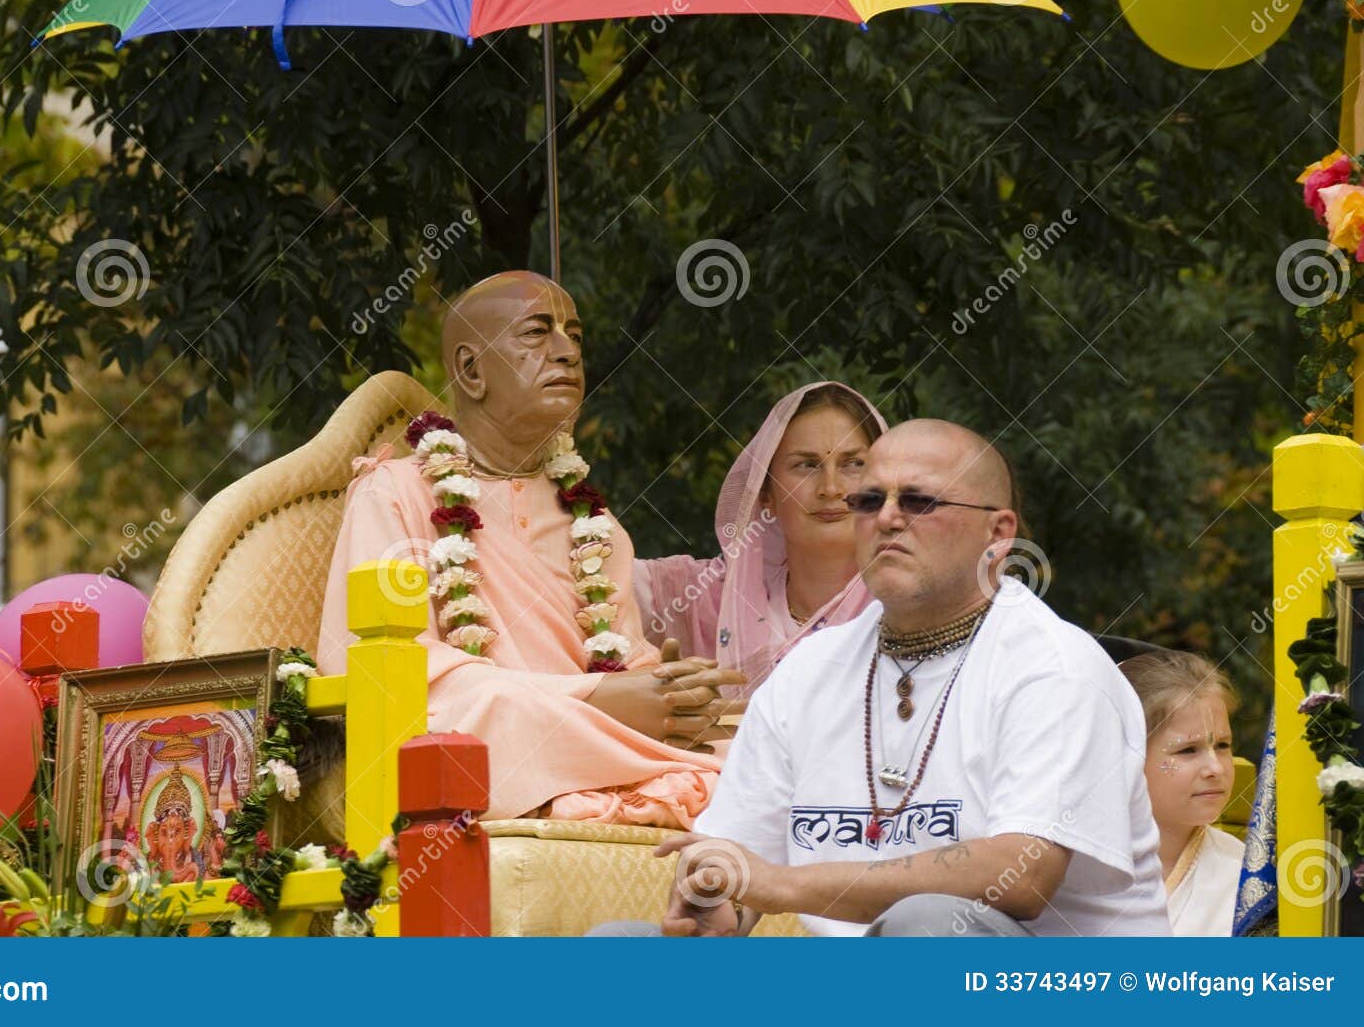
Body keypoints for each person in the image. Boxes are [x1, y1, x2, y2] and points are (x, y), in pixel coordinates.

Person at [649, 419, 1171, 936]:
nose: (888, 519)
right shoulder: (808, 671)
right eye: (869, 501)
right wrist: (719, 902)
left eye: (920, 502)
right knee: (623, 948)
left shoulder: (1054, 668)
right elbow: (739, 851)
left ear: (999, 533)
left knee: (929, 924)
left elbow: (1022, 875)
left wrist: (782, 885)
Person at [319, 271, 743, 829]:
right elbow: (384, 671)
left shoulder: (595, 523)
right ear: (471, 371)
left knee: (748, 747)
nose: (567, 352)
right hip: (479, 737)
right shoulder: (394, 492)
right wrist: (597, 700)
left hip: (592, 741)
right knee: (467, 709)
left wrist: (670, 694)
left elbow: (624, 662)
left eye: (575, 336)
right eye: (538, 333)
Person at [636, 382, 885, 694]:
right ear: (765, 493)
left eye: (853, 464)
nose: (831, 488)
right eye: (806, 465)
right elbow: (586, 565)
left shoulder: (911, 605)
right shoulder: (708, 598)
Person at [1119, 651, 1243, 936]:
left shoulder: (1248, 878)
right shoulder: (1070, 867)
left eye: (1223, 745)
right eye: (1188, 750)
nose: (1215, 768)